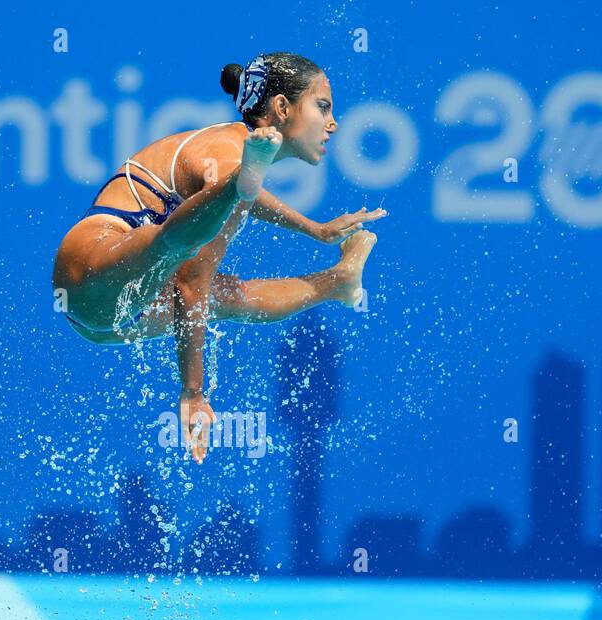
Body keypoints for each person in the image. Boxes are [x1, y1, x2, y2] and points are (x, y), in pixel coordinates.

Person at [51, 52, 386, 462]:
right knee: (173, 249)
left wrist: (313, 229)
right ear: (281, 108)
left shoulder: (240, 161)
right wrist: (193, 392)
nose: (333, 123)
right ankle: (239, 195)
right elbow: (192, 283)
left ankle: (339, 280)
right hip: (90, 272)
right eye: (323, 107)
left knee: (228, 294)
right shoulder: (227, 149)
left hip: (115, 319)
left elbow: (245, 202)